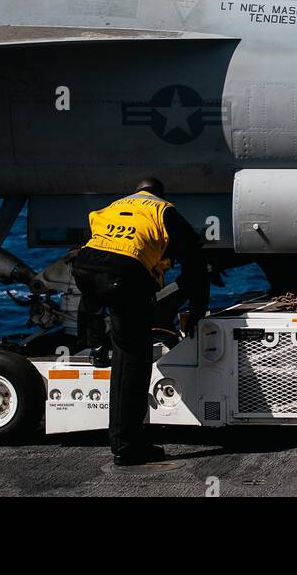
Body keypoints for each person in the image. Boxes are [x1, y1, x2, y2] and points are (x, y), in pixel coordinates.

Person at [70, 177, 209, 465]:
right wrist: (197, 310)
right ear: (159, 193)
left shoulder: (114, 206)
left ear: (136, 191)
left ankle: (95, 346)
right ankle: (127, 445)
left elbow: (98, 252)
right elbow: (195, 263)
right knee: (133, 356)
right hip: (125, 275)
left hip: (84, 266)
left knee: (97, 294)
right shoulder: (164, 211)